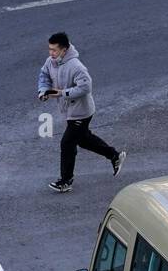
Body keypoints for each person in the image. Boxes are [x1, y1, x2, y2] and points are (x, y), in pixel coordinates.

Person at [37, 31, 126, 193]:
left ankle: (66, 181)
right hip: (69, 111)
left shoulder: (76, 66)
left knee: (67, 143)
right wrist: (43, 91)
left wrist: (62, 93)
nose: (51, 53)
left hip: (81, 112)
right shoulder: (51, 61)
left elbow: (86, 87)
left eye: (54, 50)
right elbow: (44, 75)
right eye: (49, 49)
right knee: (83, 140)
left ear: (64, 50)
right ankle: (114, 156)